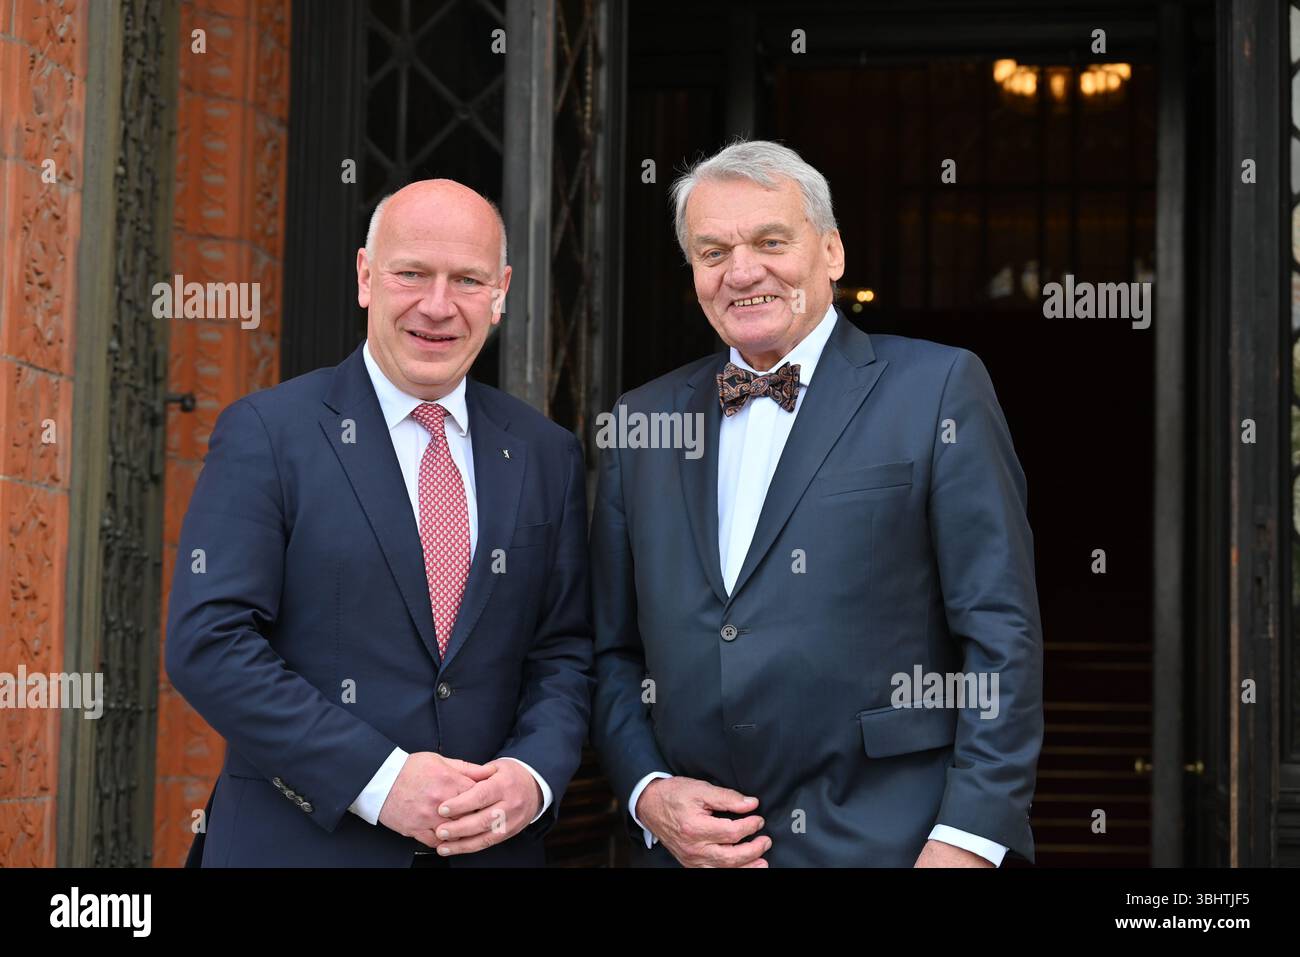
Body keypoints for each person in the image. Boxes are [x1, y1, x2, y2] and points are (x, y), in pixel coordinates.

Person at [590, 140, 1043, 867]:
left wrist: (968, 837)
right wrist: (646, 789)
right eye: (713, 252)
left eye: (771, 241)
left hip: (896, 844)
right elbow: (610, 648)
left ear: (831, 251)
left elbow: (1000, 632)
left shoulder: (939, 388)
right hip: (694, 854)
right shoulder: (642, 422)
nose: (742, 271)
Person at [166, 179, 592, 867]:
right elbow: (208, 643)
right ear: (366, 277)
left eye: (468, 279)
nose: (438, 305)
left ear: (501, 291)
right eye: (412, 274)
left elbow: (563, 651)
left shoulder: (547, 454)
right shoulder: (269, 433)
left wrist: (533, 776)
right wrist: (381, 779)